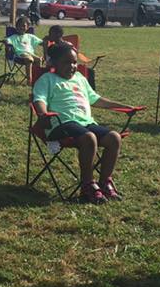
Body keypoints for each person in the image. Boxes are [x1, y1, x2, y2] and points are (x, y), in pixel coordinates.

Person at [32, 43, 140, 204]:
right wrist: (42, 114)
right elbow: (39, 99)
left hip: (85, 122)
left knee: (114, 137)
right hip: (60, 123)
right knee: (89, 138)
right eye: (67, 62)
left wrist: (123, 107)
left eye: (74, 62)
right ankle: (88, 185)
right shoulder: (47, 79)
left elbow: (96, 99)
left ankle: (104, 182)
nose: (72, 66)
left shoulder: (80, 79)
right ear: (54, 63)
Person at [5, 16, 42, 85]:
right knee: (29, 59)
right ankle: (29, 80)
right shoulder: (13, 37)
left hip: (31, 54)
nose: (21, 27)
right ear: (16, 27)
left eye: (24, 26)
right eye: (19, 26)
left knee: (39, 60)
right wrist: (7, 43)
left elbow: (41, 42)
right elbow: (7, 40)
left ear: (27, 27)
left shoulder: (30, 36)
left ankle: (37, 79)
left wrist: (47, 41)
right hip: (20, 55)